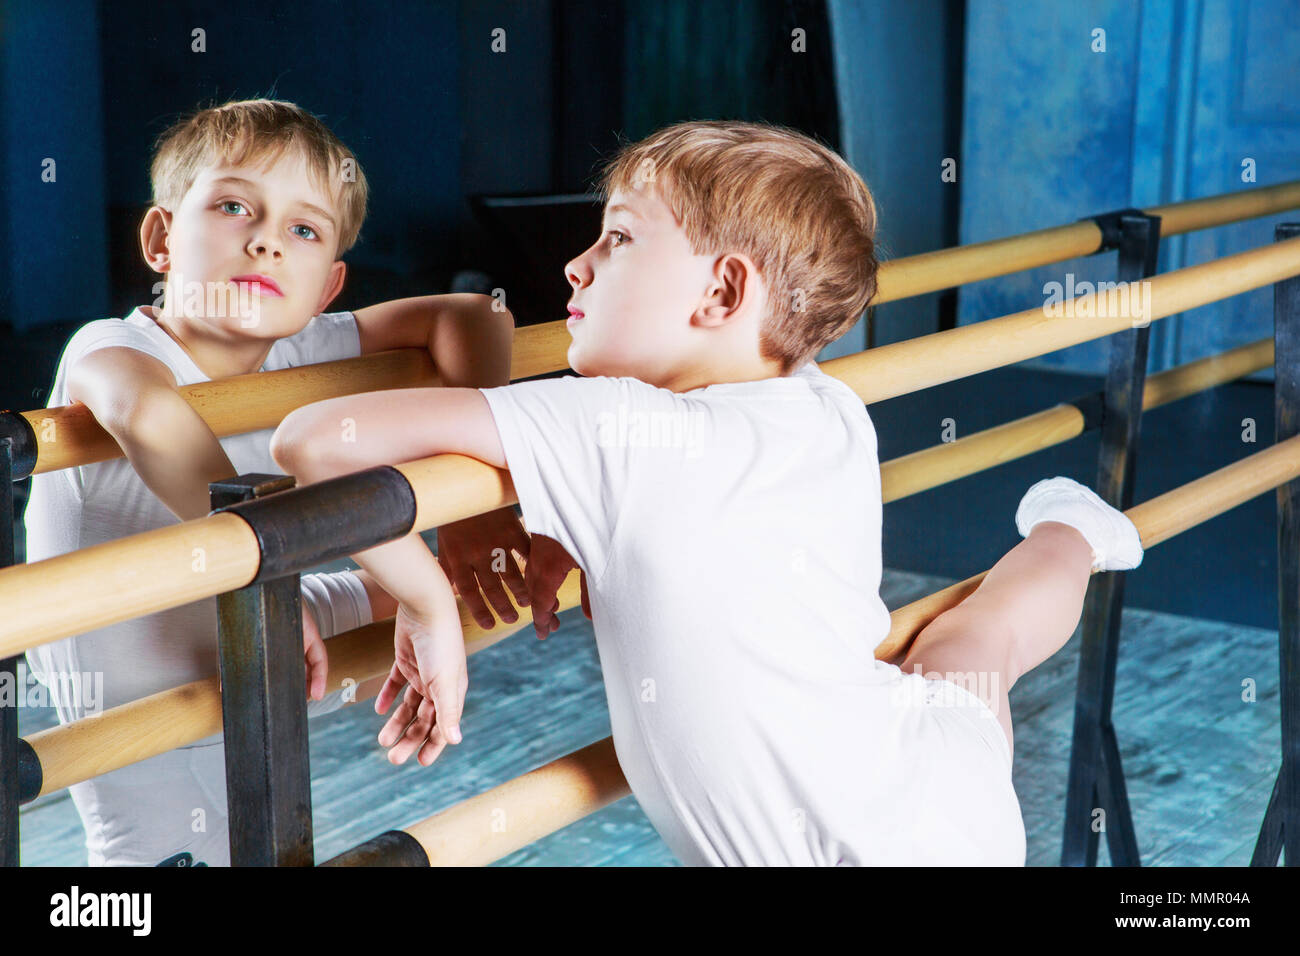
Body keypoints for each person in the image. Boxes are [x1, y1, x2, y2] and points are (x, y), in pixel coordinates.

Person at [270, 120, 1144, 865]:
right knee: (970, 649)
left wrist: (425, 595)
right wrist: (539, 511)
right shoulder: (825, 403)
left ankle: (1067, 532)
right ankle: (1070, 535)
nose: (576, 266)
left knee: (962, 651)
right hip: (945, 807)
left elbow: (312, 437)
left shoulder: (611, 424)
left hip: (868, 835)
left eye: (617, 238)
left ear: (723, 291)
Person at [23, 98, 528, 866]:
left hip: (263, 608)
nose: (265, 243)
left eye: (303, 230)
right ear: (161, 240)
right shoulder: (114, 346)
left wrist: (473, 516)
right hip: (147, 658)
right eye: (233, 207)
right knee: (161, 854)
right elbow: (151, 416)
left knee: (462, 582)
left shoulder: (305, 349)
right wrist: (265, 566)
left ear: (326, 287)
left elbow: (475, 315)